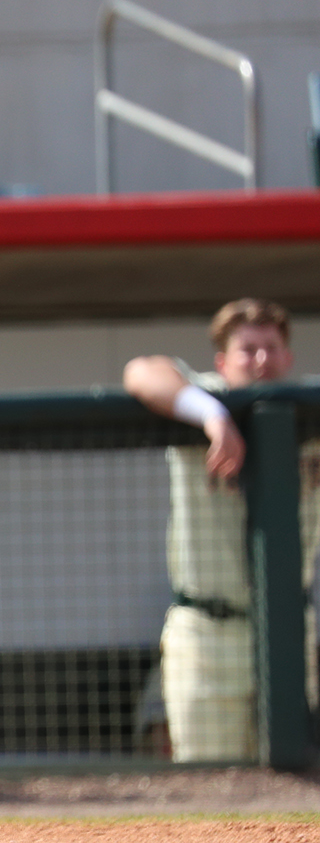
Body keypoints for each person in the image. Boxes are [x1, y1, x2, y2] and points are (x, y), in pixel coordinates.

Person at [122, 298, 320, 762]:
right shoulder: (202, 401)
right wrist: (213, 417)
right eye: (247, 349)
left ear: (288, 357)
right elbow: (142, 370)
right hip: (208, 630)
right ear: (223, 362)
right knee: (211, 784)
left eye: (271, 348)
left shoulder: (308, 410)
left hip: (290, 628)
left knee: (294, 782)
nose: (261, 359)